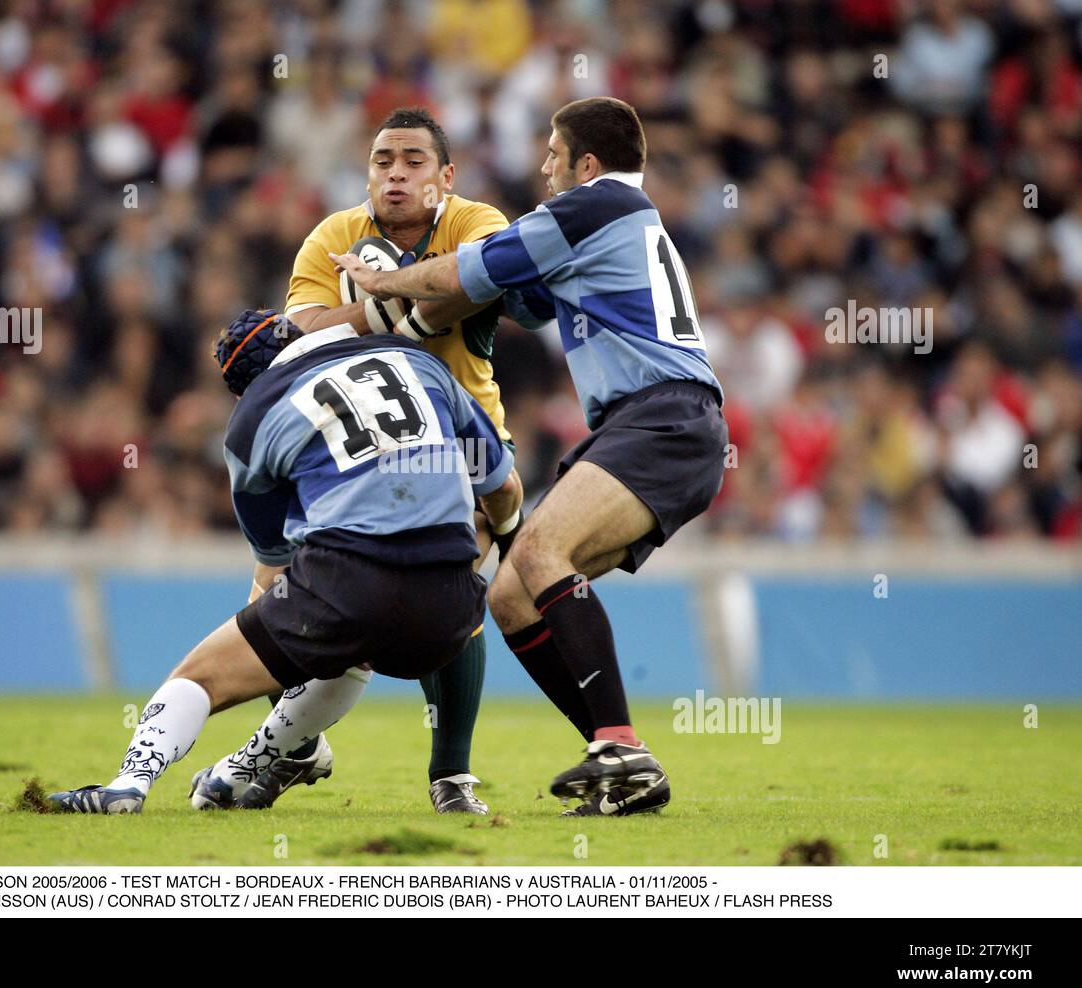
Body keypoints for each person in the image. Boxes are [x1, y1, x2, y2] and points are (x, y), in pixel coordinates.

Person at [332, 97, 729, 816]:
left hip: (664, 417)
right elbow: (523, 303)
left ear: (586, 164)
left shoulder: (593, 205)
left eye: (552, 154)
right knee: (513, 594)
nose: (542, 167)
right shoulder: (606, 226)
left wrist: (383, 281)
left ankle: (619, 744)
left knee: (543, 552)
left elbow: (462, 272)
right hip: (648, 425)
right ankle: (623, 762)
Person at [47, 309, 521, 814]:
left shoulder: (255, 414)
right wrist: (501, 545)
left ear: (241, 390)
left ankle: (129, 785)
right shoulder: (420, 364)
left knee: (200, 678)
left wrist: (272, 638)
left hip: (347, 581)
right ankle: (243, 769)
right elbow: (503, 489)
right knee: (350, 648)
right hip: (451, 605)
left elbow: (275, 566)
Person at [194, 107, 521, 815]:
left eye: (411, 161)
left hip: (462, 442)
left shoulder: (475, 220)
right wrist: (396, 309)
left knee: (457, 576)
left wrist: (387, 286)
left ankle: (451, 776)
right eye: (382, 161)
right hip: (350, 450)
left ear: (445, 176)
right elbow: (300, 332)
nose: (395, 174)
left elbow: (477, 281)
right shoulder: (333, 235)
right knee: (276, 600)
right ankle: (299, 747)